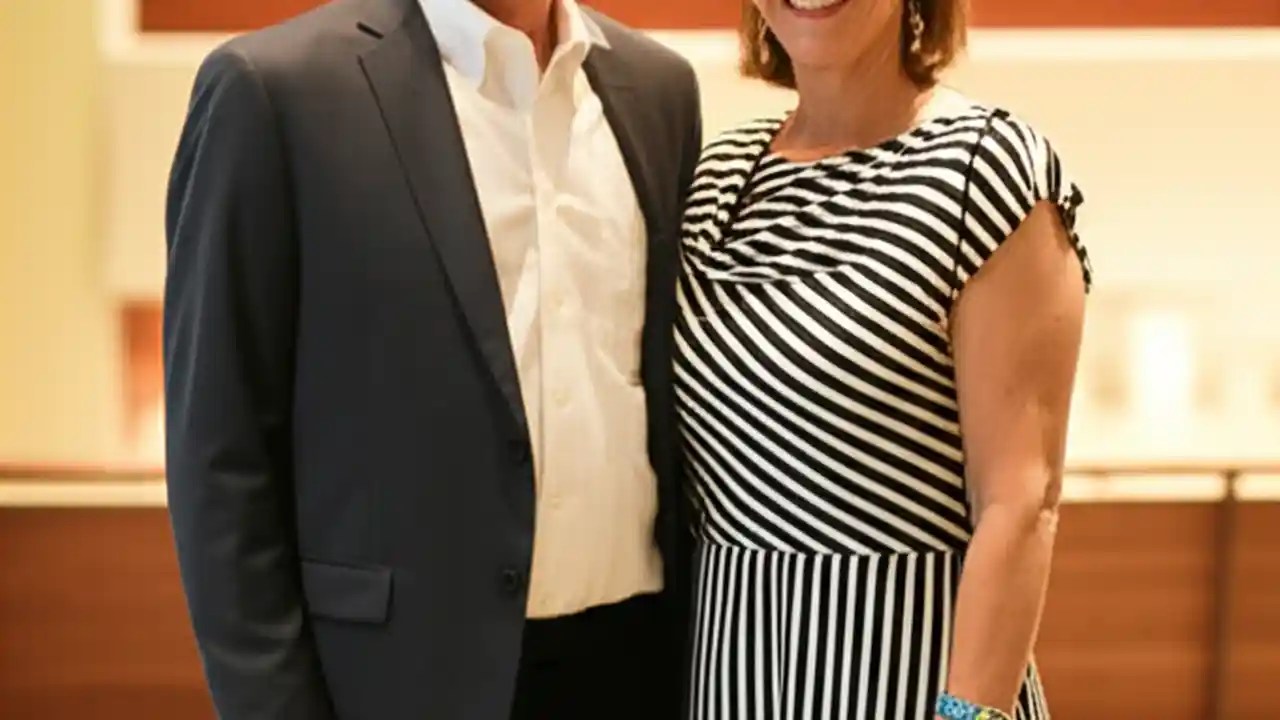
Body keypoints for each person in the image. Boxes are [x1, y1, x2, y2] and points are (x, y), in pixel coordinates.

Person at [162, 0, 701, 717]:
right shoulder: (272, 90)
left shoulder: (659, 89)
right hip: (398, 678)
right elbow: (218, 454)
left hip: (634, 663)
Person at [676, 0, 1091, 718]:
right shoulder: (718, 176)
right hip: (729, 677)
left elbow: (1019, 504)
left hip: (913, 683)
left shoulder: (983, 170)